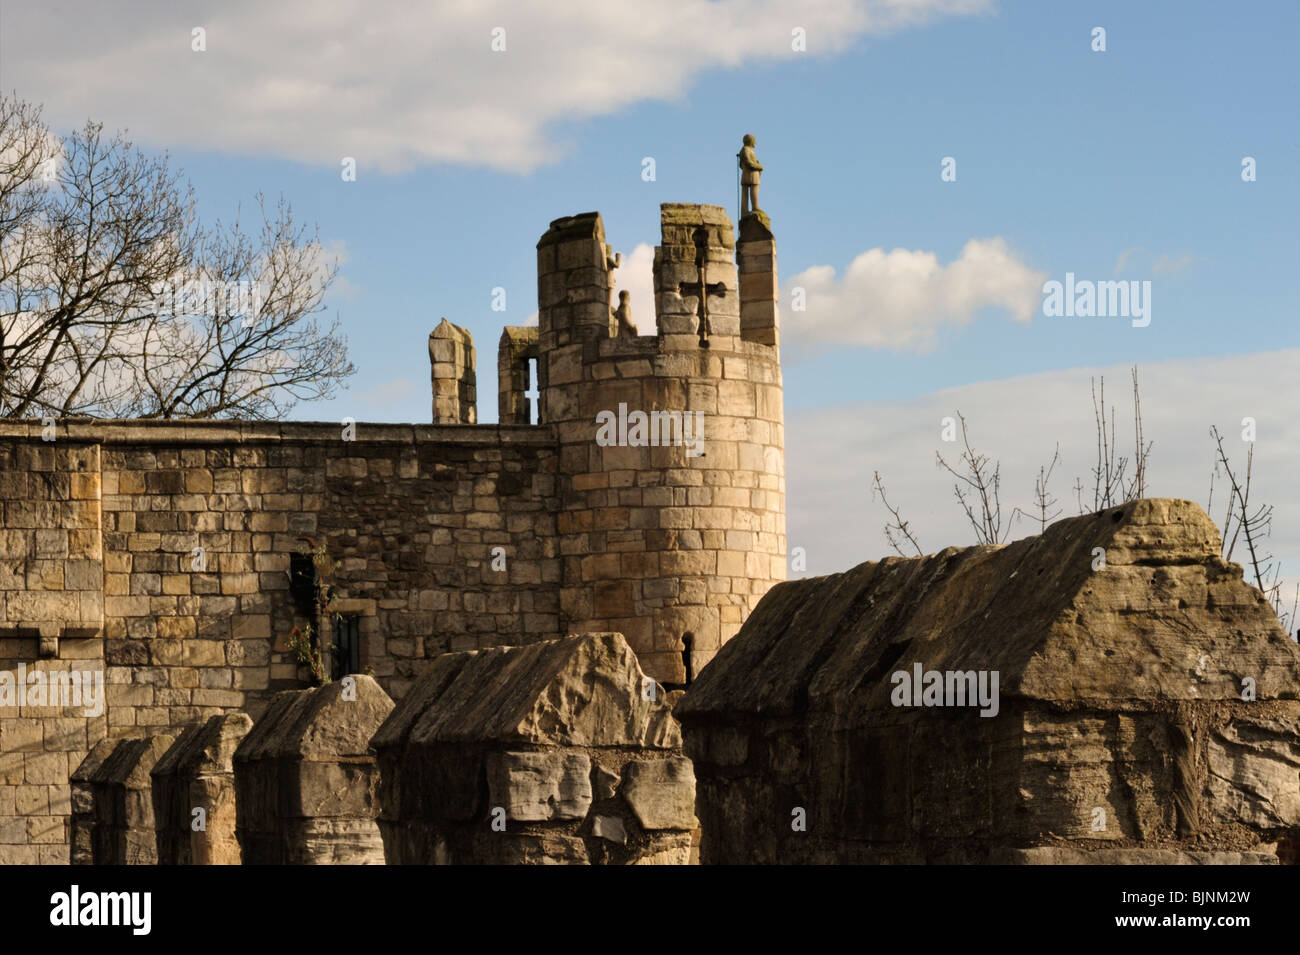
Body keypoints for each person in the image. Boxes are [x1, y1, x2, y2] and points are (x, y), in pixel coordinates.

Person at [737, 134, 763, 215]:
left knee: (750, 190)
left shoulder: (748, 150)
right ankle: (754, 207)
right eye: (754, 140)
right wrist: (758, 166)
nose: (755, 142)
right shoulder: (746, 149)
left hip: (750, 173)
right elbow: (747, 162)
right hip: (751, 174)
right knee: (753, 188)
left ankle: (749, 209)